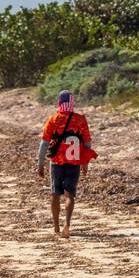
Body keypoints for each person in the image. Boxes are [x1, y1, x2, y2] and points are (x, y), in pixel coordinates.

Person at [37, 89, 97, 238]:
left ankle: (56, 227)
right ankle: (67, 225)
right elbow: (87, 142)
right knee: (70, 195)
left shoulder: (53, 119)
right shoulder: (80, 119)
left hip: (56, 162)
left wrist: (40, 163)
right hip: (74, 162)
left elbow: (44, 143)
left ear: (59, 102)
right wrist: (85, 162)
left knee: (55, 194)